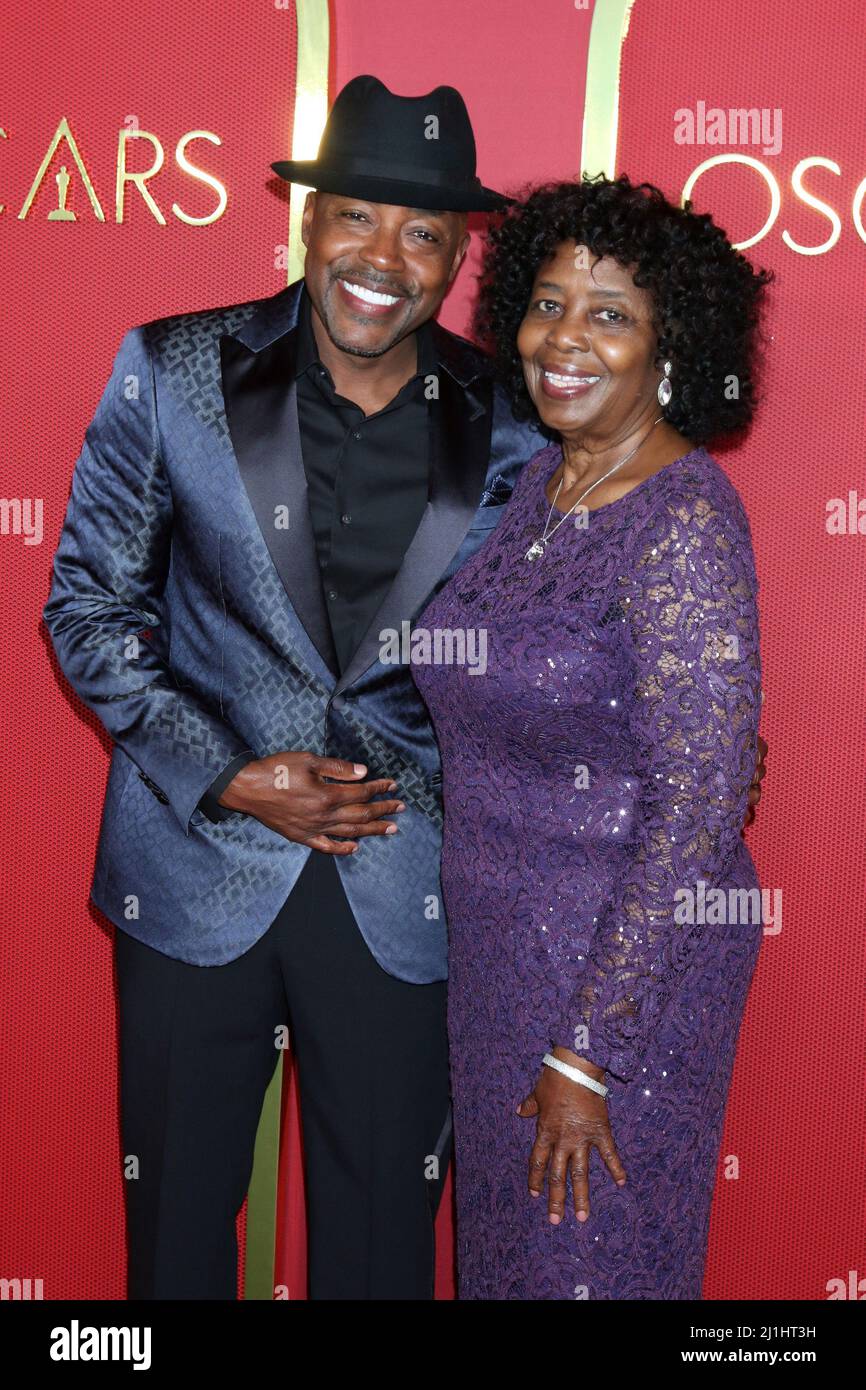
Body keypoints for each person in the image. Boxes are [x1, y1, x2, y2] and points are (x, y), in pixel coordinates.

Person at [41, 74, 543, 1300]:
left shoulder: (514, 420)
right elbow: (87, 606)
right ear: (308, 225)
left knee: (378, 1253)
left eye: (421, 231)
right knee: (172, 1242)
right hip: (196, 857)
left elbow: (556, 641)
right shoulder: (172, 367)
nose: (384, 255)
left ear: (455, 255)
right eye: (356, 216)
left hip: (405, 884)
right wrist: (231, 771)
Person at [411, 174, 772, 1299]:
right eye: (548, 303)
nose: (565, 338)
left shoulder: (684, 520)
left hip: (613, 990)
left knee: (587, 1265)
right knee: (510, 1263)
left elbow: (701, 805)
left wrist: (585, 1051)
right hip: (495, 963)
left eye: (609, 314)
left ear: (670, 342)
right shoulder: (536, 488)